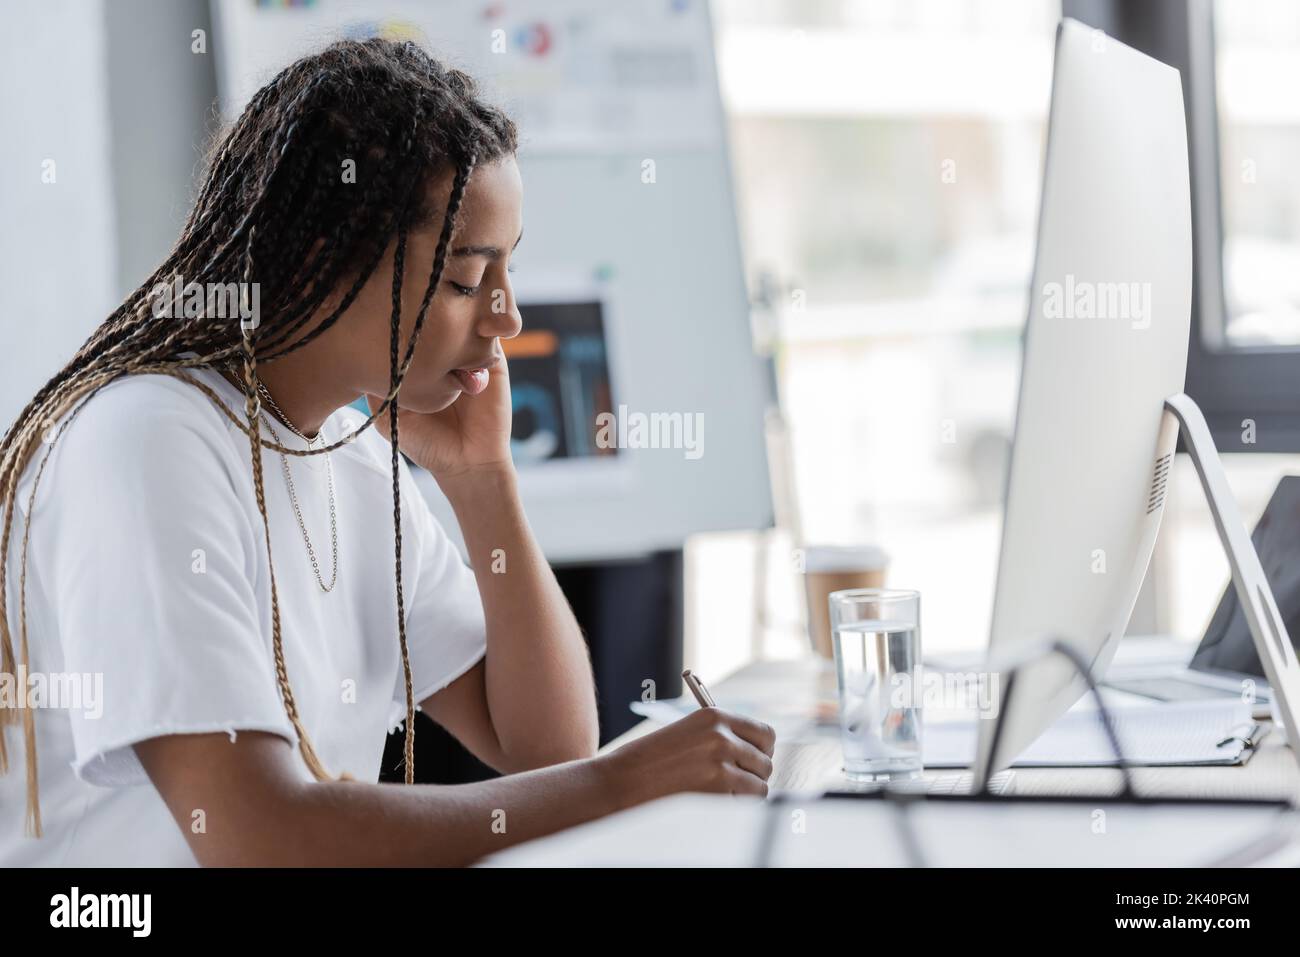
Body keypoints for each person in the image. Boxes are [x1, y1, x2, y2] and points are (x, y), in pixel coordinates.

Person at [0, 38, 774, 867]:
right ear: (327, 262)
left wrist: (484, 483)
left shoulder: (345, 446)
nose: (507, 318)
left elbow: (547, 744)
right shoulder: (146, 442)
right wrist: (626, 783)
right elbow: (257, 837)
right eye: (467, 280)